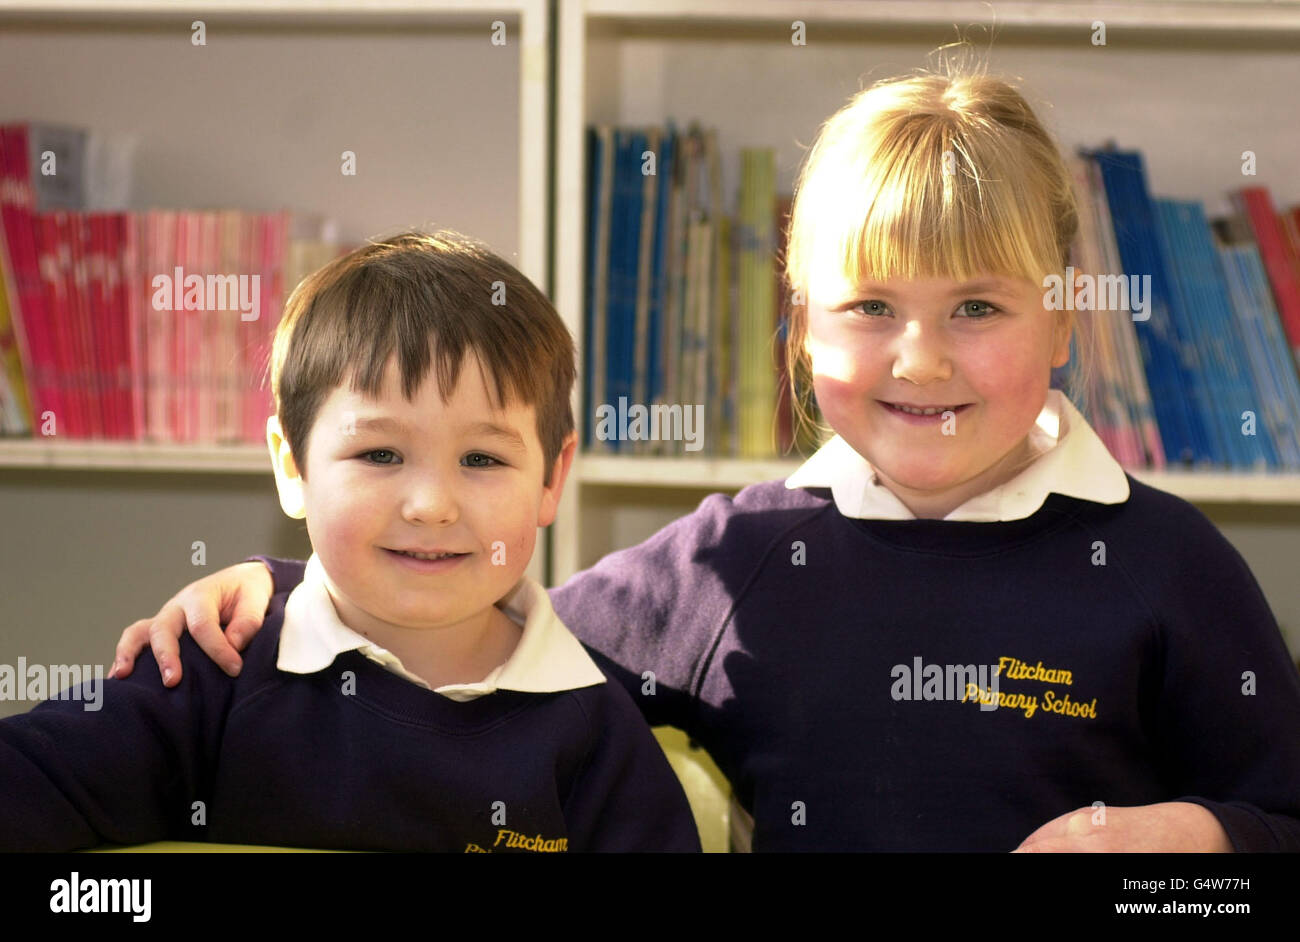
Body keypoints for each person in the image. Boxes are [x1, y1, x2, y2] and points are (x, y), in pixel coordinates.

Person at [109, 69, 1300, 852]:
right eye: (869, 305)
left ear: (1064, 323)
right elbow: (468, 623)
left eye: (978, 309)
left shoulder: (1163, 563)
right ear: (799, 331)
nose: (921, 358)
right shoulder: (737, 559)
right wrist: (278, 599)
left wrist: (1194, 842)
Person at [0, 231, 700, 853]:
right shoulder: (211, 671)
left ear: (553, 478)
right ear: (291, 465)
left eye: (482, 460)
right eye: (381, 455)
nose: (430, 506)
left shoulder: (596, 730)